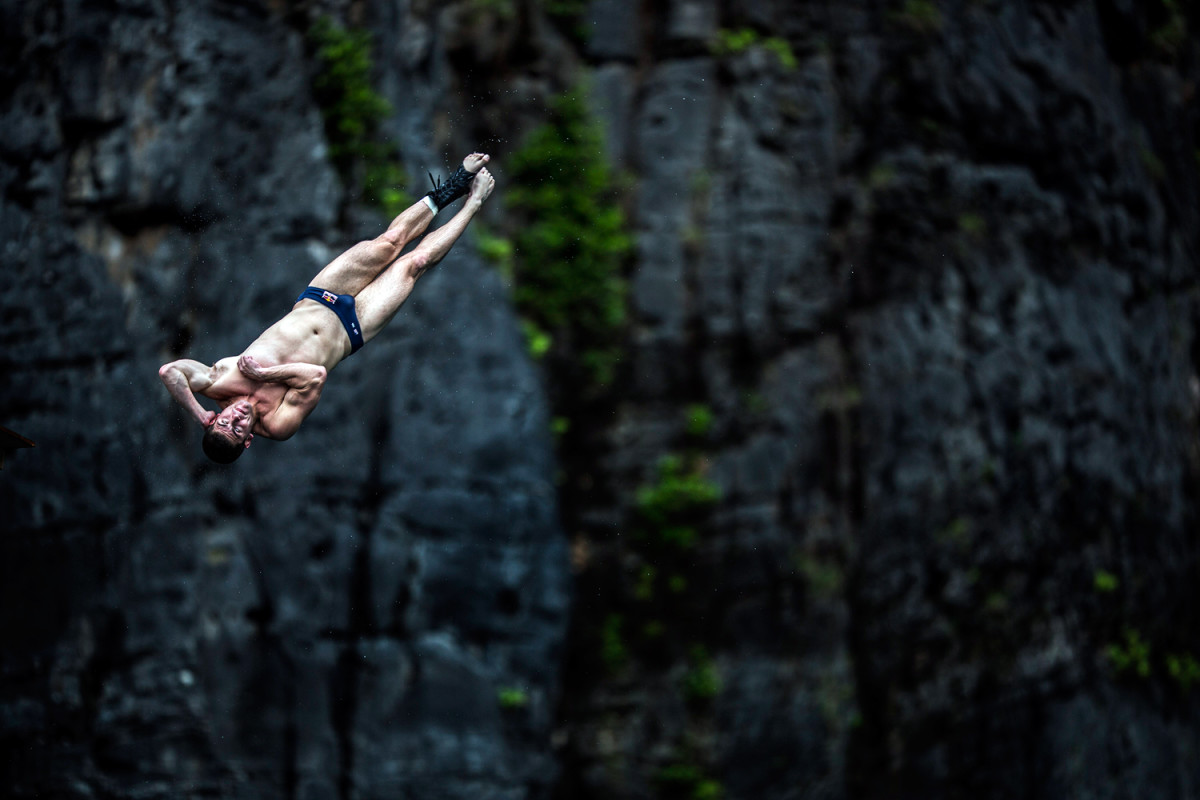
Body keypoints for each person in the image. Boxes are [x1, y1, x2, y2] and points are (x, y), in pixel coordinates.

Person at [158, 152, 495, 464]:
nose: (237, 421)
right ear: (248, 440)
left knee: (388, 243)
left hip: (321, 297)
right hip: (354, 328)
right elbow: (315, 376)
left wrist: (197, 414)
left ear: (217, 418)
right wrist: (263, 375)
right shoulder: (277, 424)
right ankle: (473, 203)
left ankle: (453, 186)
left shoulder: (219, 384)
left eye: (225, 423)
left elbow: (170, 372)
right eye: (238, 431)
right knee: (415, 264)